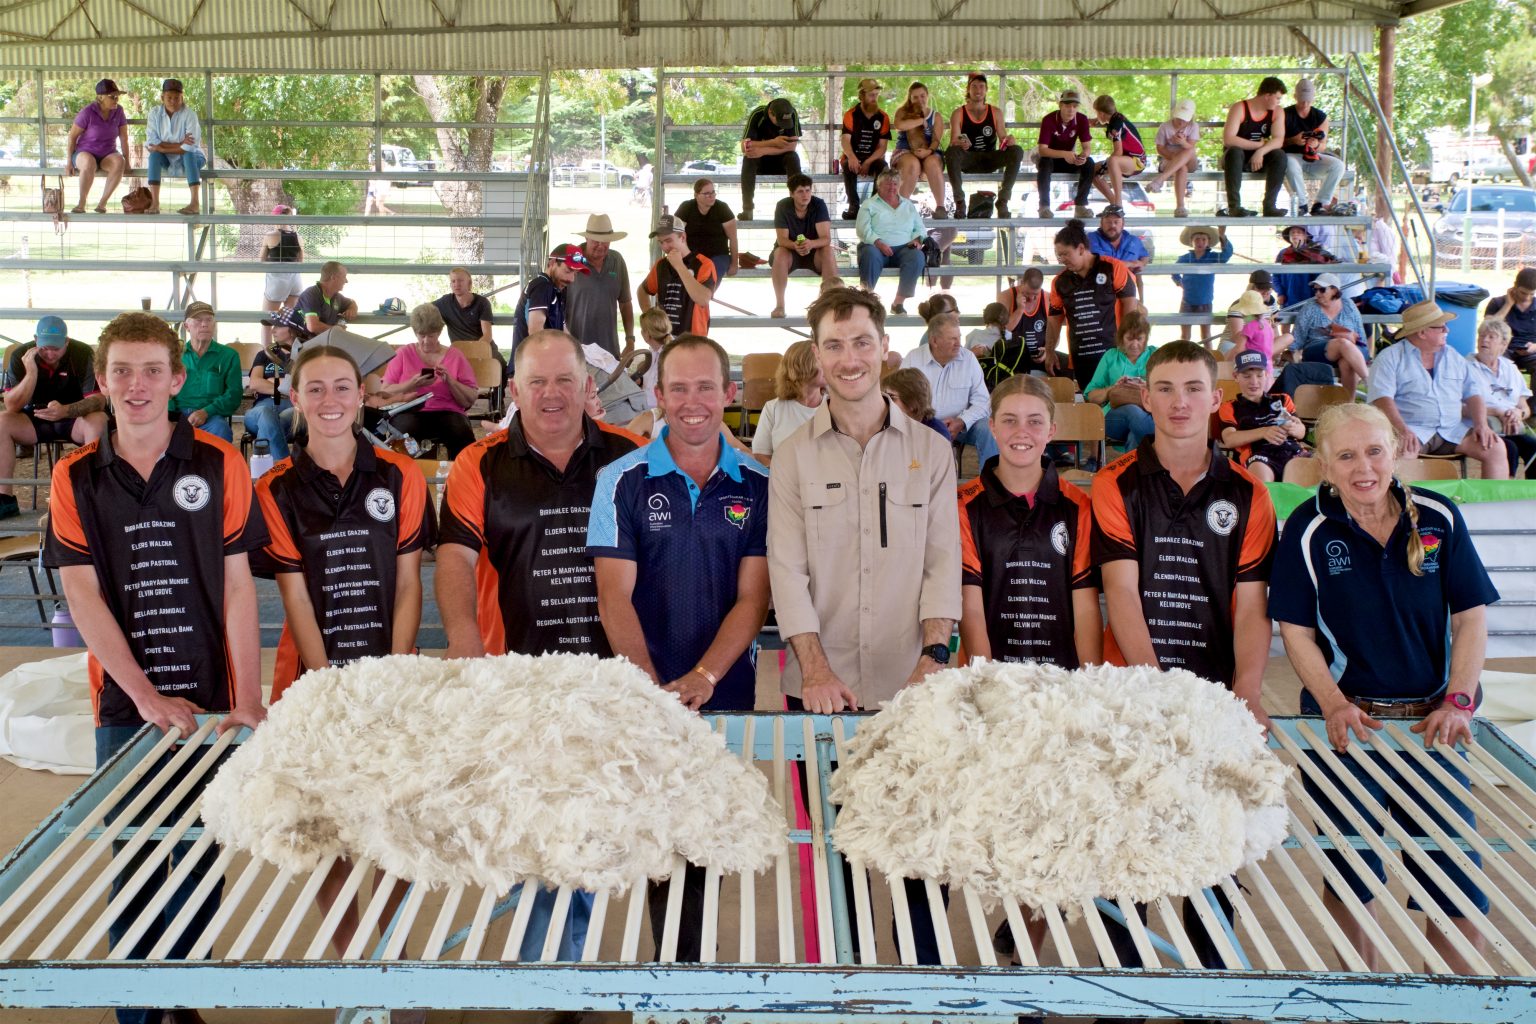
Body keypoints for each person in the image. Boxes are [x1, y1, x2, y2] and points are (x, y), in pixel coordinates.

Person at [44, 312, 266, 1024]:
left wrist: (252, 697)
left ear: (177, 379)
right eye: (121, 372)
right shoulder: (74, 478)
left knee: (202, 857)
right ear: (101, 383)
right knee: (137, 855)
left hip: (212, 697)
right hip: (124, 703)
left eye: (150, 371)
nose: (136, 386)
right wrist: (140, 693)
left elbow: (237, 586)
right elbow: (82, 596)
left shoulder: (218, 464)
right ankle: (138, 1011)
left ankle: (184, 995)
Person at [1268, 401, 1499, 976]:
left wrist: (1460, 699)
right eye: (1345, 455)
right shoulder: (1309, 529)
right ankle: (1359, 1001)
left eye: (1374, 450)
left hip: (1433, 726)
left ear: (1395, 451)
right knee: (1352, 872)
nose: (1363, 467)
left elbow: (1470, 615)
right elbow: (1294, 629)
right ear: (1323, 465)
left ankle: (1462, 1010)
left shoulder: (1439, 517)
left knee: (1453, 875)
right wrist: (1332, 703)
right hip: (1349, 726)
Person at [768, 286, 960, 965]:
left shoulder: (933, 454)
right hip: (819, 697)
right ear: (816, 358)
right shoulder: (791, 457)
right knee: (830, 852)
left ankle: (928, 990)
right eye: (833, 345)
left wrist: (934, 658)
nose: (849, 358)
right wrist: (815, 670)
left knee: (919, 857)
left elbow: (944, 564)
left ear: (883, 347)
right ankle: (840, 989)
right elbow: (785, 572)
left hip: (914, 687)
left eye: (860, 342)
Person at [436, 329, 643, 961]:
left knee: (582, 831)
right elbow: (452, 560)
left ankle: (553, 965)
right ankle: (548, 967)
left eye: (564, 381)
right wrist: (468, 653)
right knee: (533, 829)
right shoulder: (482, 464)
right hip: (516, 680)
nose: (551, 395)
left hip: (609, 681)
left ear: (589, 387)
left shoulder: (630, 457)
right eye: (536, 382)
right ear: (514, 390)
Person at [1091, 340, 1277, 972]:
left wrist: (1245, 692)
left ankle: (1217, 983)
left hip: (1214, 696)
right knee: (1126, 846)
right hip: (1133, 694)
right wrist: (1156, 692)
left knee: (1214, 843)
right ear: (1145, 397)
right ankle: (1124, 987)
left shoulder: (1251, 494)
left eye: (1193, 388)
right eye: (1164, 388)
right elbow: (1121, 593)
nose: (1178, 402)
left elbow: (1252, 607)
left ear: (1215, 399)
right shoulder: (1114, 484)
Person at [589, 334, 771, 962]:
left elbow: (754, 599)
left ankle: (692, 970)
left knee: (708, 834)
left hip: (725, 689)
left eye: (706, 388)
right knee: (657, 841)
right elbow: (614, 596)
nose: (693, 403)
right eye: (679, 389)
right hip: (646, 694)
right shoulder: (620, 480)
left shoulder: (760, 483)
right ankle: (672, 973)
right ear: (657, 396)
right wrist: (652, 688)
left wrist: (704, 676)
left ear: (730, 394)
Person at [254, 343, 434, 954]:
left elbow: (410, 583)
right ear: (294, 398)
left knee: (390, 827)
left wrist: (395, 672)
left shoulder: (401, 476)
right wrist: (326, 685)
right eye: (315, 389)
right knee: (326, 833)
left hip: (390, 677)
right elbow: (296, 597)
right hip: (312, 679)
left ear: (363, 397)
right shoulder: (275, 488)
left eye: (341, 387)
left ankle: (398, 969)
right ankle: (355, 967)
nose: (329, 400)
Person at [958, 373, 1101, 668]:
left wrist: (1089, 685)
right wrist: (986, 686)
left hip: (1062, 682)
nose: (1022, 431)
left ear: (1052, 430)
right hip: (989, 676)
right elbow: (970, 608)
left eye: (1034, 421)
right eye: (1010, 420)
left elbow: (1086, 606)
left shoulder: (1078, 506)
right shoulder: (962, 505)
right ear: (992, 428)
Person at [1368, 300, 1509, 480]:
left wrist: (1481, 424)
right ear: (1422, 332)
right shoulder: (1390, 357)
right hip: (1411, 431)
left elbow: (1473, 393)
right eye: (1441, 327)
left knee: (1495, 448)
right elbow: (1381, 398)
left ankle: (1493, 507)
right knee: (1400, 456)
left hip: (1453, 430)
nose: (1447, 331)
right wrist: (1402, 429)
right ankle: (1408, 505)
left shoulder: (1453, 356)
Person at [0, 315, 108, 519]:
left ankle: (93, 494)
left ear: (67, 342)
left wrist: (66, 410)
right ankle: (4, 499)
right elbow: (12, 406)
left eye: (56, 348)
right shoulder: (21, 355)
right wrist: (31, 373)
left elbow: (98, 400)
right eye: (44, 348)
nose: (50, 353)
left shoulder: (83, 353)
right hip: (33, 418)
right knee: (2, 421)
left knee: (99, 419)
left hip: (74, 418)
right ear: (35, 340)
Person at [1045, 219, 1139, 389]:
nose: (1062, 259)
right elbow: (1054, 320)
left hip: (1113, 353)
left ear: (1081, 248)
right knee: (1091, 406)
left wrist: (1128, 345)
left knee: (1118, 402)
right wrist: (1050, 351)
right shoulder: (1060, 281)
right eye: (1059, 255)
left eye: (1065, 254)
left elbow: (1130, 309)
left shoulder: (1112, 268)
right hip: (1081, 356)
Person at [377, 304, 480, 458]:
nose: (426, 341)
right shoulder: (404, 354)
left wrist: (451, 382)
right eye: (421, 335)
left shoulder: (455, 356)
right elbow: (384, 392)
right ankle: (408, 475)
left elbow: (470, 399)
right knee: (403, 431)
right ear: (415, 332)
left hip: (447, 412)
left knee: (460, 431)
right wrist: (412, 384)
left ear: (439, 332)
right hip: (409, 411)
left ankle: (458, 475)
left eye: (431, 336)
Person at [903, 311, 999, 464]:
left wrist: (961, 421)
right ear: (934, 341)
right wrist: (927, 423)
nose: (959, 344)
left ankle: (989, 484)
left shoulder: (968, 359)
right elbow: (900, 401)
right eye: (953, 339)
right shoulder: (913, 359)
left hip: (961, 425)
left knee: (987, 429)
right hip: (923, 425)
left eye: (959, 337)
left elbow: (983, 402)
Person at [1218, 349, 1310, 483]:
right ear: (1235, 376)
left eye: (1259, 375)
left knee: (1316, 468)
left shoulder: (1282, 400)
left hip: (1292, 452)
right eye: (1246, 376)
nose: (1254, 382)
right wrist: (1264, 432)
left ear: (1267, 374)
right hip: (1259, 456)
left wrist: (1296, 428)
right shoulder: (1230, 407)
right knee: (1261, 477)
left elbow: (1301, 432)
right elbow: (1230, 439)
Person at [946, 72, 1024, 219]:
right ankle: (960, 202)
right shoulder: (958, 113)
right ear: (968, 89)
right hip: (968, 159)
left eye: (981, 86)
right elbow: (953, 140)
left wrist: (1010, 139)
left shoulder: (995, 112)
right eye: (974, 86)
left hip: (989, 158)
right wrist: (960, 142)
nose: (978, 90)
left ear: (986, 89)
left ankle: (1003, 201)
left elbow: (1003, 138)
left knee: (1017, 151)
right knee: (951, 152)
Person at [563, 214, 636, 360]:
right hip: (576, 349)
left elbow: (625, 302)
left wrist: (630, 339)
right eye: (596, 241)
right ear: (586, 238)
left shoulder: (617, 261)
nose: (601, 245)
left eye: (605, 241)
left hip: (609, 350)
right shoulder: (570, 262)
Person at [1468, 318, 1535, 477]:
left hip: (1510, 427)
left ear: (1504, 344)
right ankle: (1504, 492)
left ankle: (1532, 494)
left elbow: (1523, 406)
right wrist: (1497, 412)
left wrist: (1519, 413)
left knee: (1533, 446)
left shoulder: (1510, 368)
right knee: (1509, 448)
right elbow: (1460, 407)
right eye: (1482, 336)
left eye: (1491, 337)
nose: (1484, 340)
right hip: (1477, 426)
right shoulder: (1466, 367)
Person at [1083, 310, 1156, 452]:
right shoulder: (1111, 356)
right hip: (1113, 417)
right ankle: (1163, 444)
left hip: (1148, 413)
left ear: (1146, 338)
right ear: (1121, 338)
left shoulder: (1155, 355)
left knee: (1134, 436)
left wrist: (1147, 386)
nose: (1134, 344)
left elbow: (1170, 388)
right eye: (1130, 338)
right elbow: (1090, 396)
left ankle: (1135, 472)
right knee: (1133, 411)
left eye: (1139, 339)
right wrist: (1112, 388)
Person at [856, 169, 926, 314]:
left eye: (895, 184)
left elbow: (919, 227)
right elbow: (863, 230)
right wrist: (878, 243)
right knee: (869, 253)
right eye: (887, 184)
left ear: (899, 185)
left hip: (904, 248)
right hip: (876, 247)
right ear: (879, 186)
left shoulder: (908, 205)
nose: (891, 187)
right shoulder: (869, 205)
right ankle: (866, 301)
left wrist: (917, 240)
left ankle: (898, 303)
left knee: (917, 256)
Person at [169, 301, 241, 443]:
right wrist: (171, 417)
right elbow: (163, 390)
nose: (204, 324)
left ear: (214, 325)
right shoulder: (175, 354)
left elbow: (234, 395)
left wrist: (206, 411)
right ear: (186, 326)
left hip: (211, 417)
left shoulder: (228, 355)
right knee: (159, 434)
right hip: (177, 415)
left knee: (221, 430)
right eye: (198, 320)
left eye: (208, 320)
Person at [1289, 272, 1371, 395]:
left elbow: (1360, 334)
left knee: (1346, 361)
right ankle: (1369, 382)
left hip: (1351, 351)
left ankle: (1348, 404)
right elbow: (1298, 337)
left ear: (1334, 290)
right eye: (1315, 290)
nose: (1317, 294)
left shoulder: (1348, 305)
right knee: (1342, 343)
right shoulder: (1310, 307)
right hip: (1317, 350)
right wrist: (1293, 353)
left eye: (1322, 290)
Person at [640, 214, 720, 337]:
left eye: (668, 240)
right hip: (665, 338)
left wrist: (679, 266)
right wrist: (650, 316)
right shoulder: (661, 265)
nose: (665, 247)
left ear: (682, 237)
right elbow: (642, 290)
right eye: (661, 242)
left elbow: (703, 299)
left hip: (693, 339)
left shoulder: (704, 264)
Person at [769, 174, 838, 317]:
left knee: (828, 251)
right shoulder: (783, 206)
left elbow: (826, 238)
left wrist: (811, 243)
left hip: (814, 252)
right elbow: (782, 240)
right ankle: (780, 305)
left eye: (808, 190)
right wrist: (796, 245)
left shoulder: (818, 204)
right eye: (800, 191)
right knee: (780, 252)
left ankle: (830, 304)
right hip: (790, 251)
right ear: (792, 194)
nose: (805, 195)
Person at [1221, 76, 1289, 218]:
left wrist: (1261, 151)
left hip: (1259, 158)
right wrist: (1259, 144)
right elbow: (1229, 139)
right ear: (1267, 96)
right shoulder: (1240, 108)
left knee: (1280, 155)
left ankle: (1270, 206)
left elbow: (1278, 140)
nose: (1278, 102)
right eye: (1277, 98)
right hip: (1236, 158)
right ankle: (1234, 207)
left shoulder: (1277, 112)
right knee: (1234, 151)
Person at [752, 339, 823, 466]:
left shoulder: (838, 408)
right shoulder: (773, 408)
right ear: (803, 365)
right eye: (821, 360)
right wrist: (784, 476)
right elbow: (760, 455)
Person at [512, 243, 593, 355]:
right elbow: (535, 332)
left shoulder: (555, 290)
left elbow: (563, 331)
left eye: (576, 274)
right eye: (568, 271)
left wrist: (579, 350)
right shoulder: (542, 286)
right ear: (552, 263)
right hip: (530, 367)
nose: (571, 279)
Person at [247, 308, 305, 461]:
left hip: (293, 408)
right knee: (266, 414)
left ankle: (263, 477)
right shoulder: (264, 354)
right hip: (260, 409)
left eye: (278, 326)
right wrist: (286, 386)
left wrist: (272, 382)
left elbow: (305, 387)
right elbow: (254, 383)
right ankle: (286, 472)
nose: (273, 330)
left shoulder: (305, 355)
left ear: (292, 330)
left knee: (269, 425)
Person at [1282, 78, 1345, 216]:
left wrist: (1316, 144)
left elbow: (1323, 145)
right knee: (1289, 161)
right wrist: (1293, 140)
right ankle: (1302, 204)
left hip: (1313, 157)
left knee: (1338, 165)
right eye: (1302, 100)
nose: (1305, 104)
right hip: (1292, 156)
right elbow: (1277, 141)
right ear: (1295, 97)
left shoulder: (1320, 116)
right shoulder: (1285, 114)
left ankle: (1320, 203)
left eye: (1308, 101)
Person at [65, 79, 129, 214]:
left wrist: (127, 162)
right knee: (89, 162)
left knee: (119, 161)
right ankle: (81, 203)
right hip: (84, 152)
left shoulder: (119, 111)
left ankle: (102, 204)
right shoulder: (87, 112)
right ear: (100, 97)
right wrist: (69, 162)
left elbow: (124, 137)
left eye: (117, 96)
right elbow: (72, 137)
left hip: (108, 153)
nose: (116, 99)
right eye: (112, 96)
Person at [143, 78, 205, 216]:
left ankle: (194, 203)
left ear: (182, 98)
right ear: (162, 97)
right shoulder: (154, 113)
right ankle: (155, 203)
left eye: (177, 98)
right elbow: (153, 142)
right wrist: (179, 144)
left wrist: (163, 148)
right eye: (169, 97)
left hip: (192, 158)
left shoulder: (190, 115)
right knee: (154, 155)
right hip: (166, 159)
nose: (173, 101)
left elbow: (189, 147)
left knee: (188, 154)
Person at [1035, 89, 1096, 220]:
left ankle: (1080, 206)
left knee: (1089, 163)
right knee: (1044, 161)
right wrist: (1064, 154)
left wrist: (1083, 156)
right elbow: (1042, 150)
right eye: (1068, 106)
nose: (1071, 110)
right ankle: (1044, 206)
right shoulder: (1048, 119)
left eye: (1074, 106)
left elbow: (1087, 147)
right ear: (1060, 105)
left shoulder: (1082, 119)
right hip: (1051, 159)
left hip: (1069, 159)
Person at [739, 97, 802, 222]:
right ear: (770, 113)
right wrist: (773, 142)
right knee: (748, 158)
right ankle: (747, 209)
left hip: (781, 160)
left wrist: (763, 149)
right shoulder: (758, 114)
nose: (782, 125)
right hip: (760, 162)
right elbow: (744, 146)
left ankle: (796, 207)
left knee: (793, 157)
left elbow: (792, 146)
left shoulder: (792, 113)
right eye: (779, 121)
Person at [890, 81, 947, 207]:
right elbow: (899, 125)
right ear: (910, 98)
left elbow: (936, 141)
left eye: (922, 96)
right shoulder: (902, 112)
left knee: (933, 162)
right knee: (912, 164)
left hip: (928, 151)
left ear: (927, 95)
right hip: (905, 151)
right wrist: (921, 121)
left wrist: (928, 151)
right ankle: (901, 207)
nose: (919, 99)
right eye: (915, 97)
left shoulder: (935, 116)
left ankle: (940, 207)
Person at [1172, 225, 1233, 344]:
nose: (1200, 242)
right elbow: (1174, 270)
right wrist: (1179, 281)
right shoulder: (1185, 258)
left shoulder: (1212, 257)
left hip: (1205, 302)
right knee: (1185, 335)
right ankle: (1184, 356)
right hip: (1187, 302)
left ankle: (1208, 357)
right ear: (1191, 242)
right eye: (1197, 239)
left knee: (1206, 335)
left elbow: (1226, 255)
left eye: (1204, 239)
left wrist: (1222, 237)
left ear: (1208, 242)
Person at [840, 78, 891, 219]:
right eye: (871, 95)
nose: (875, 98)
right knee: (846, 165)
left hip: (873, 158)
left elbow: (882, 147)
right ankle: (854, 206)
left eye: (876, 94)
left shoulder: (883, 117)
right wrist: (851, 157)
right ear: (862, 96)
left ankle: (873, 207)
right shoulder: (851, 114)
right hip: (853, 155)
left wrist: (868, 162)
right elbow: (845, 140)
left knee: (883, 166)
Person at [675, 178, 739, 281]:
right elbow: (676, 234)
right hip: (692, 256)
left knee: (708, 280)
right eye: (707, 194)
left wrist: (735, 264)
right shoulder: (686, 207)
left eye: (713, 192)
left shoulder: (722, 208)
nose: (712, 196)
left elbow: (733, 238)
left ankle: (703, 295)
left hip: (718, 255)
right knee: (687, 278)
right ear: (696, 195)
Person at [1090, 95, 1147, 211]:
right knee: (1092, 170)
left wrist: (1105, 165)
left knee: (1112, 160)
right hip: (1126, 159)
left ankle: (1118, 203)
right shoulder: (1114, 118)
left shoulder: (1115, 126)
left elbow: (1118, 152)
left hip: (1137, 161)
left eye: (1096, 113)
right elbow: (1101, 121)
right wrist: (1095, 121)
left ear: (1101, 113)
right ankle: (1113, 203)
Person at [260, 205, 304, 349]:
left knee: (267, 321)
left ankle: (266, 354)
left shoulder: (271, 235)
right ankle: (289, 353)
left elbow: (261, 260)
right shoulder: (298, 237)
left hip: (277, 280)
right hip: (295, 280)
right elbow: (300, 260)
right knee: (289, 321)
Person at [996, 268, 1052, 379]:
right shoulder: (1006, 296)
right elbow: (1003, 330)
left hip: (1039, 356)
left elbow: (1054, 331)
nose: (1031, 298)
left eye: (1035, 294)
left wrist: (1048, 350)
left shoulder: (1047, 298)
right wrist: (1020, 309)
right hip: (1013, 357)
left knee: (1065, 366)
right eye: (1027, 293)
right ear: (1022, 283)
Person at [1146, 98, 1198, 217]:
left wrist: (1182, 142)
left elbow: (1191, 146)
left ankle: (1160, 179)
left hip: (1189, 159)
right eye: (1179, 118)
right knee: (1181, 168)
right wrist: (1174, 156)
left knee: (1189, 150)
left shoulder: (1194, 126)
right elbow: (1159, 148)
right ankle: (1180, 206)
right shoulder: (1165, 127)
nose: (1181, 122)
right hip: (1169, 159)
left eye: (1184, 120)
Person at [1483, 267, 1536, 379]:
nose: (1527, 297)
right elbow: (1487, 329)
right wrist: (1508, 305)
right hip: (1503, 349)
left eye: (1531, 294)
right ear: (1515, 286)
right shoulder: (1497, 303)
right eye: (1523, 293)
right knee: (1495, 362)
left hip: (1531, 352)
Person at [1087, 206, 1149, 296]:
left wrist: (1142, 263)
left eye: (1116, 222)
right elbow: (1103, 264)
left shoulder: (1134, 240)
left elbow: (1145, 256)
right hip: (1101, 294)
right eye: (1108, 222)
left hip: (1127, 293)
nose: (1112, 226)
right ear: (1101, 223)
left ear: (1123, 224)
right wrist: (1131, 264)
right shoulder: (1092, 238)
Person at [1274, 223, 1341, 307]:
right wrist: (1280, 293)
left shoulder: (1316, 253)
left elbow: (1326, 274)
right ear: (1289, 237)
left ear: (1305, 236)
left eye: (1299, 232)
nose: (1295, 234)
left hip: (1310, 300)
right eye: (1292, 233)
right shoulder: (1283, 253)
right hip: (1288, 300)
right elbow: (1275, 275)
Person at [881, 367, 949, 440]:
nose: (884, 402)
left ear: (912, 402)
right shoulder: (888, 423)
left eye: (891, 397)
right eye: (883, 396)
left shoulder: (938, 433)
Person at [296, 261, 359, 336]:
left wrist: (352, 309)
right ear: (333, 278)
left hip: (322, 340)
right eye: (344, 277)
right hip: (304, 342)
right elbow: (313, 326)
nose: (346, 281)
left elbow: (351, 302)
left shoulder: (336, 296)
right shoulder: (311, 294)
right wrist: (337, 330)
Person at [1227, 288, 1278, 367]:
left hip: (1251, 365)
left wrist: (1229, 363)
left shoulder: (1249, 327)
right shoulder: (1267, 325)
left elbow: (1239, 349)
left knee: (1230, 353)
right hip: (1267, 364)